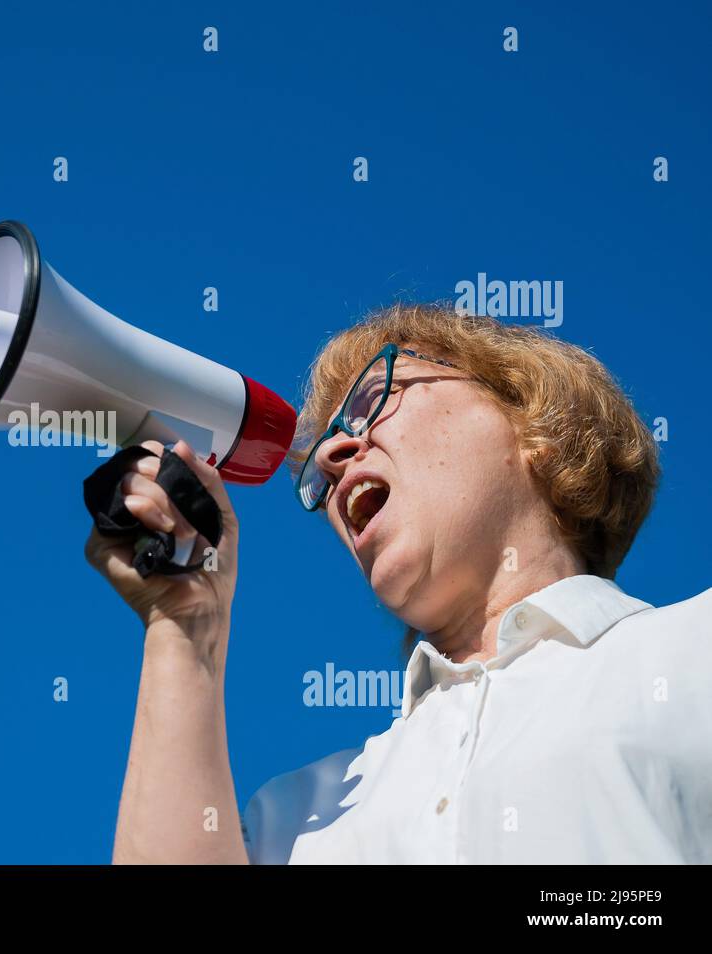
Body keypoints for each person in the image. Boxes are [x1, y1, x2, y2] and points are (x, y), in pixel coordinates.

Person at [86, 302, 711, 864]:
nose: (331, 462)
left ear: (533, 428)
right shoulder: (293, 817)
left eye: (369, 401)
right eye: (318, 474)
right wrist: (183, 622)